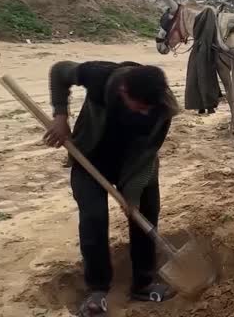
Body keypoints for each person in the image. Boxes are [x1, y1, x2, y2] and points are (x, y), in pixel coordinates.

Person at [44, 60, 180, 317]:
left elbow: (146, 154)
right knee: (93, 218)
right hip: (91, 158)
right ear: (124, 91)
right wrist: (60, 117)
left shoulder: (163, 106)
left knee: (145, 216)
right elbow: (59, 71)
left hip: (137, 162)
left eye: (148, 108)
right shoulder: (99, 76)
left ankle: (143, 282)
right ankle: (97, 289)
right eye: (139, 107)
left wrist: (132, 196)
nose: (144, 113)